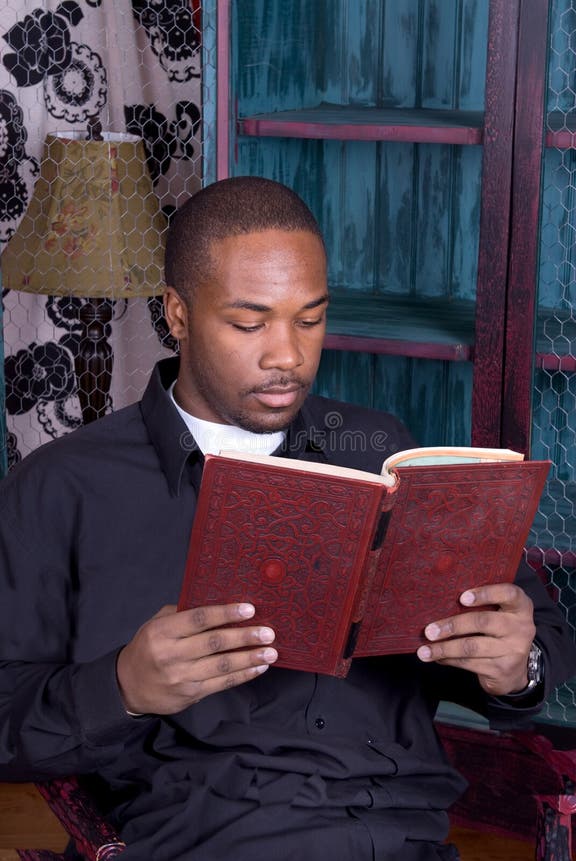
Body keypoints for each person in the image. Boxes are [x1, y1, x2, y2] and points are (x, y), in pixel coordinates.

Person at [0, 176, 574, 861]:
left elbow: (540, 638)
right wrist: (123, 684)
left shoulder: (381, 450)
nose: (288, 356)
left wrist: (517, 663)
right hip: (202, 839)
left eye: (310, 318)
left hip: (405, 835)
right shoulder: (63, 486)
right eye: (249, 323)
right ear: (177, 314)